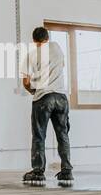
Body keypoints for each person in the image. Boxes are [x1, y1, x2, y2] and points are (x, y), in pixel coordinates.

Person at [21, 27, 72, 186]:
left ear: (34, 40)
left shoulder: (31, 55)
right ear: (47, 37)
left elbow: (26, 82)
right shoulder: (56, 47)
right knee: (62, 134)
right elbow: (61, 66)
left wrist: (33, 91)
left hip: (43, 97)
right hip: (62, 97)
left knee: (39, 136)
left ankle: (38, 172)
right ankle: (67, 171)